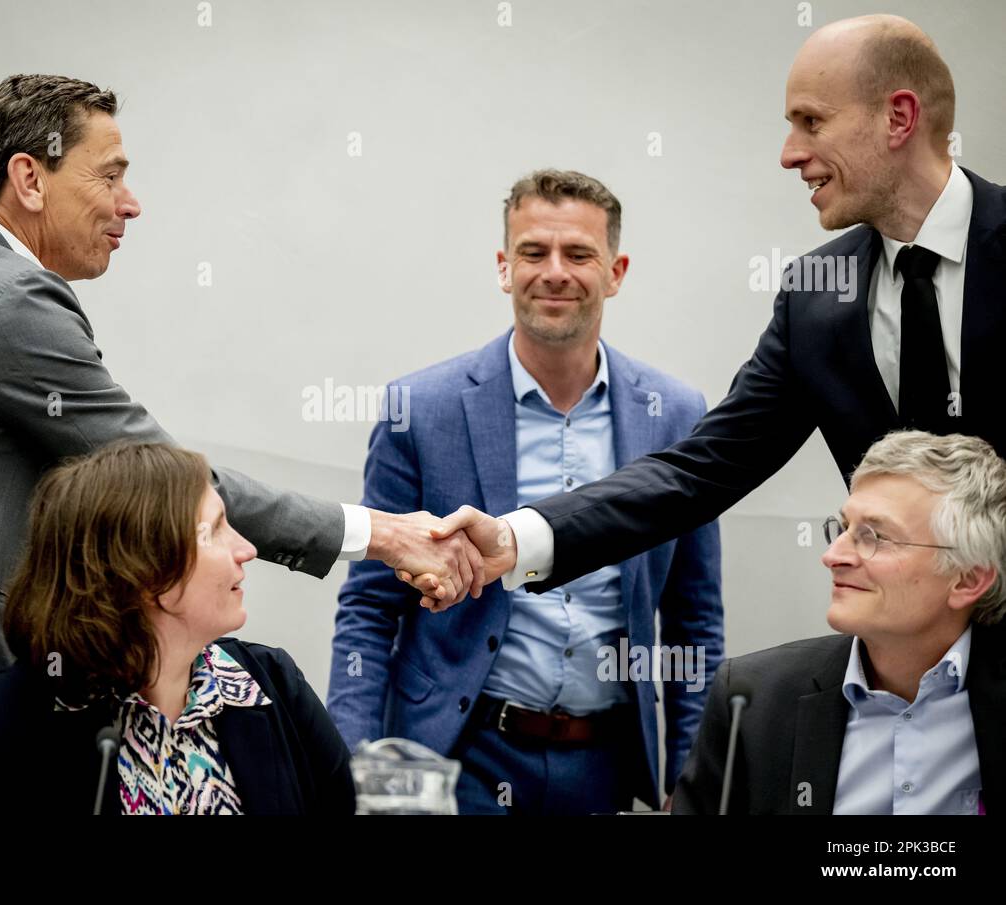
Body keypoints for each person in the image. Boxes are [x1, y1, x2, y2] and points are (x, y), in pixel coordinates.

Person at [0, 74, 480, 815]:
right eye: (111, 174)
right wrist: (379, 532)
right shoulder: (13, 299)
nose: (131, 202)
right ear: (29, 178)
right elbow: (163, 485)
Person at [402, 15, 1006, 608]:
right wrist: (517, 537)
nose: (789, 154)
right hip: (905, 671)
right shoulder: (818, 297)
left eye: (812, 122)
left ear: (898, 118)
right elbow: (703, 469)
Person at [327, 170, 722, 814]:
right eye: (534, 253)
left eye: (579, 254)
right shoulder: (421, 410)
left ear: (616, 271)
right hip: (461, 759)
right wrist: (359, 768)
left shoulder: (674, 415)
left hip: (610, 765)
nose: (555, 272)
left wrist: (692, 776)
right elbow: (371, 608)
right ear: (504, 267)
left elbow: (694, 619)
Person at [0, 441, 355, 815]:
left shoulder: (271, 684)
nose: (247, 549)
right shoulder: (26, 712)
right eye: (217, 530)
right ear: (149, 571)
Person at [673, 430, 1005, 815]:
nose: (833, 555)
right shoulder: (752, 702)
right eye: (843, 528)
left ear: (967, 579)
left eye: (874, 536)